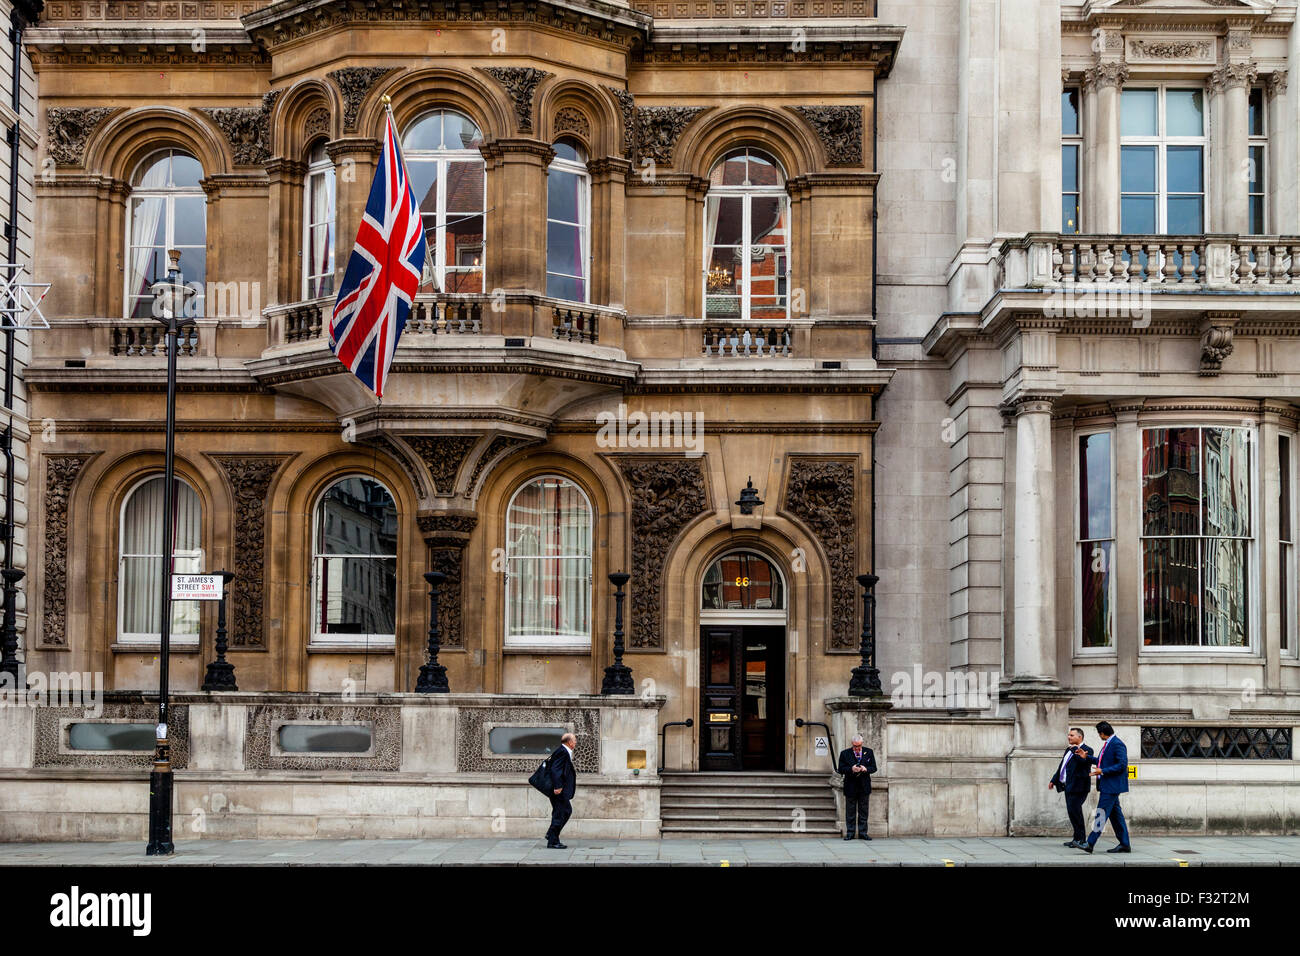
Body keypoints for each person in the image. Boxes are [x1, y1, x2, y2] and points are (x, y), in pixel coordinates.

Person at [1079, 720, 1131, 854]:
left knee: (1100, 814)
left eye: (1099, 733)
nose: (1099, 735)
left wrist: (1102, 771)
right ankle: (1125, 844)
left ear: (1102, 733)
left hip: (1111, 786)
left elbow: (1122, 765)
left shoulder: (1117, 744)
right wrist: (1087, 757)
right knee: (1116, 817)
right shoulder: (1108, 744)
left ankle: (1089, 843)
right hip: (1108, 786)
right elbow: (1102, 761)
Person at [1047, 727, 1093, 848]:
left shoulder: (1088, 750)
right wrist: (1053, 780)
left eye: (1072, 735)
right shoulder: (1069, 749)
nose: (1069, 737)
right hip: (1068, 786)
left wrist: (1075, 751)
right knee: (1072, 813)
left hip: (1079, 787)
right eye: (1069, 735)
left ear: (1080, 737)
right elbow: (1062, 766)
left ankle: (1081, 840)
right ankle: (1076, 839)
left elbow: (1083, 763)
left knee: (1076, 812)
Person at [836, 734, 877, 840]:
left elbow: (874, 767)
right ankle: (850, 833)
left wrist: (865, 768)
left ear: (862, 744)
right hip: (850, 786)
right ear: (852, 744)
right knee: (850, 811)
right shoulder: (845, 753)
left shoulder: (869, 752)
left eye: (859, 746)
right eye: (855, 746)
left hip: (864, 786)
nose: (857, 748)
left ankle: (863, 833)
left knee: (863, 811)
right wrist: (851, 769)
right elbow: (840, 768)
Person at [544, 732, 578, 849]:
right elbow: (555, 769)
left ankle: (552, 835)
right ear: (569, 742)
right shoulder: (562, 752)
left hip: (561, 790)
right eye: (574, 740)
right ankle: (553, 841)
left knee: (564, 811)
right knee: (561, 813)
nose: (575, 742)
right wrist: (558, 786)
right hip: (559, 790)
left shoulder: (563, 751)